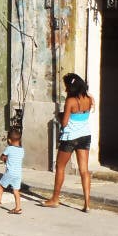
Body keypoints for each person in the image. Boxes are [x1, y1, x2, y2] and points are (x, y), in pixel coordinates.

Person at [42, 72, 93, 212]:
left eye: (66, 87)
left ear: (72, 88)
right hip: (85, 135)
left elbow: (64, 123)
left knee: (60, 167)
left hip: (70, 137)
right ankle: (87, 204)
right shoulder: (89, 99)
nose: (65, 90)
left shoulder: (70, 101)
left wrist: (59, 116)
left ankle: (55, 198)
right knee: (84, 170)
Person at [0, 128, 24, 214]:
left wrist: (5, 159)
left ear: (9, 140)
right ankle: (18, 208)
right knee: (16, 190)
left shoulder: (9, 148)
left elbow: (2, 157)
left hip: (10, 172)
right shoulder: (22, 150)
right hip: (18, 173)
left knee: (0, 185)